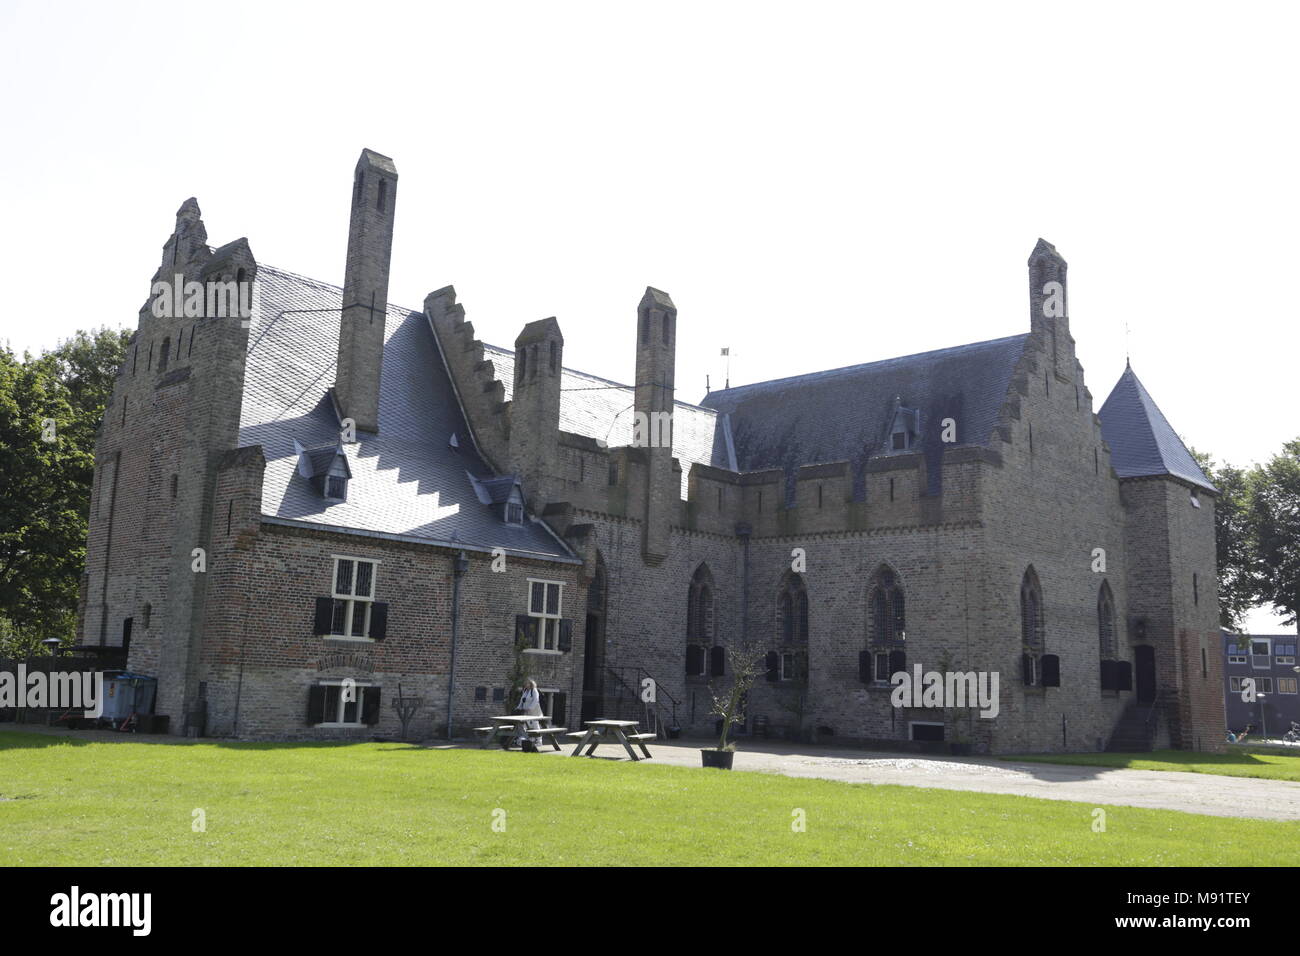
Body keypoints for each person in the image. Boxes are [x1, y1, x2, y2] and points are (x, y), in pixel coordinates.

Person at [514, 679, 543, 751]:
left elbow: (536, 700)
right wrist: (519, 707)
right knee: (525, 725)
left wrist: (530, 708)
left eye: (527, 683)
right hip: (526, 710)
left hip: (534, 710)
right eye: (525, 683)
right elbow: (522, 700)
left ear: (531, 684)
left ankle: (539, 741)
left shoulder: (534, 690)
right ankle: (524, 740)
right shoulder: (525, 691)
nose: (526, 685)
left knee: (535, 724)